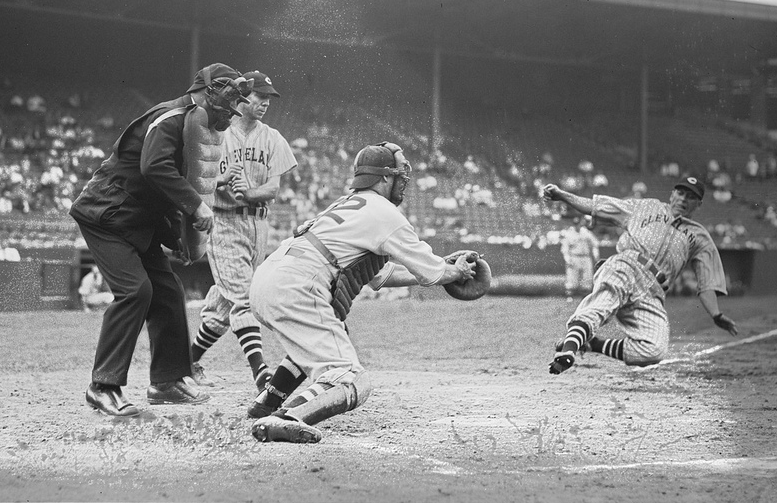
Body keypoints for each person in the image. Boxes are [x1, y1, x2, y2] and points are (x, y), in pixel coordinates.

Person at [246, 142, 476, 443]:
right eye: (398, 172)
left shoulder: (347, 205)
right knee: (352, 379)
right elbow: (431, 272)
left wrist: (439, 271)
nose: (404, 178)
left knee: (325, 335)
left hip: (269, 277)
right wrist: (458, 271)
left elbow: (381, 276)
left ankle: (268, 401)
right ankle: (288, 417)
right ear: (383, 178)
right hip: (297, 285)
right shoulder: (385, 213)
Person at [69, 63, 249, 417]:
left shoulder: (196, 128)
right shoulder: (170, 118)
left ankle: (167, 381)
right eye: (228, 98)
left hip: (138, 220)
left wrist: (175, 237)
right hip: (107, 214)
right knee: (136, 291)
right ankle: (102, 386)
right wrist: (196, 208)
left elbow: (162, 192)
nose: (232, 108)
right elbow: (154, 168)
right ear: (208, 92)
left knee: (167, 292)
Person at [541, 176, 738, 375]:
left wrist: (716, 314)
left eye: (691, 196)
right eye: (680, 193)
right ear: (672, 194)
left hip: (654, 291)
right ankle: (568, 351)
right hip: (627, 265)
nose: (683, 199)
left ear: (699, 203)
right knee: (602, 304)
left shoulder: (700, 237)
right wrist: (561, 195)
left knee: (654, 350)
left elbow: (706, 283)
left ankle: (593, 344)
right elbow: (595, 206)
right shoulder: (645, 207)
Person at [188, 70, 297, 393]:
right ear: (241, 97)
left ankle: (186, 362)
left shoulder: (273, 138)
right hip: (223, 222)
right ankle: (261, 372)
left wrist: (248, 191)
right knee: (244, 298)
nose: (264, 103)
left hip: (257, 225)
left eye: (268, 98)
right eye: (259, 97)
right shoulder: (217, 134)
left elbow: (273, 189)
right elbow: (199, 182)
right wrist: (221, 183)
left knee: (224, 306)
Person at [560, 217, 599, 302]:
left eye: (578, 224)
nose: (577, 225)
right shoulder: (569, 234)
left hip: (585, 256)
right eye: (575, 224)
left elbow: (594, 243)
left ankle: (585, 297)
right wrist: (567, 258)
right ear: (573, 225)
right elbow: (565, 248)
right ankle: (570, 296)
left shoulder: (586, 233)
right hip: (574, 256)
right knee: (572, 276)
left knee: (587, 276)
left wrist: (595, 254)